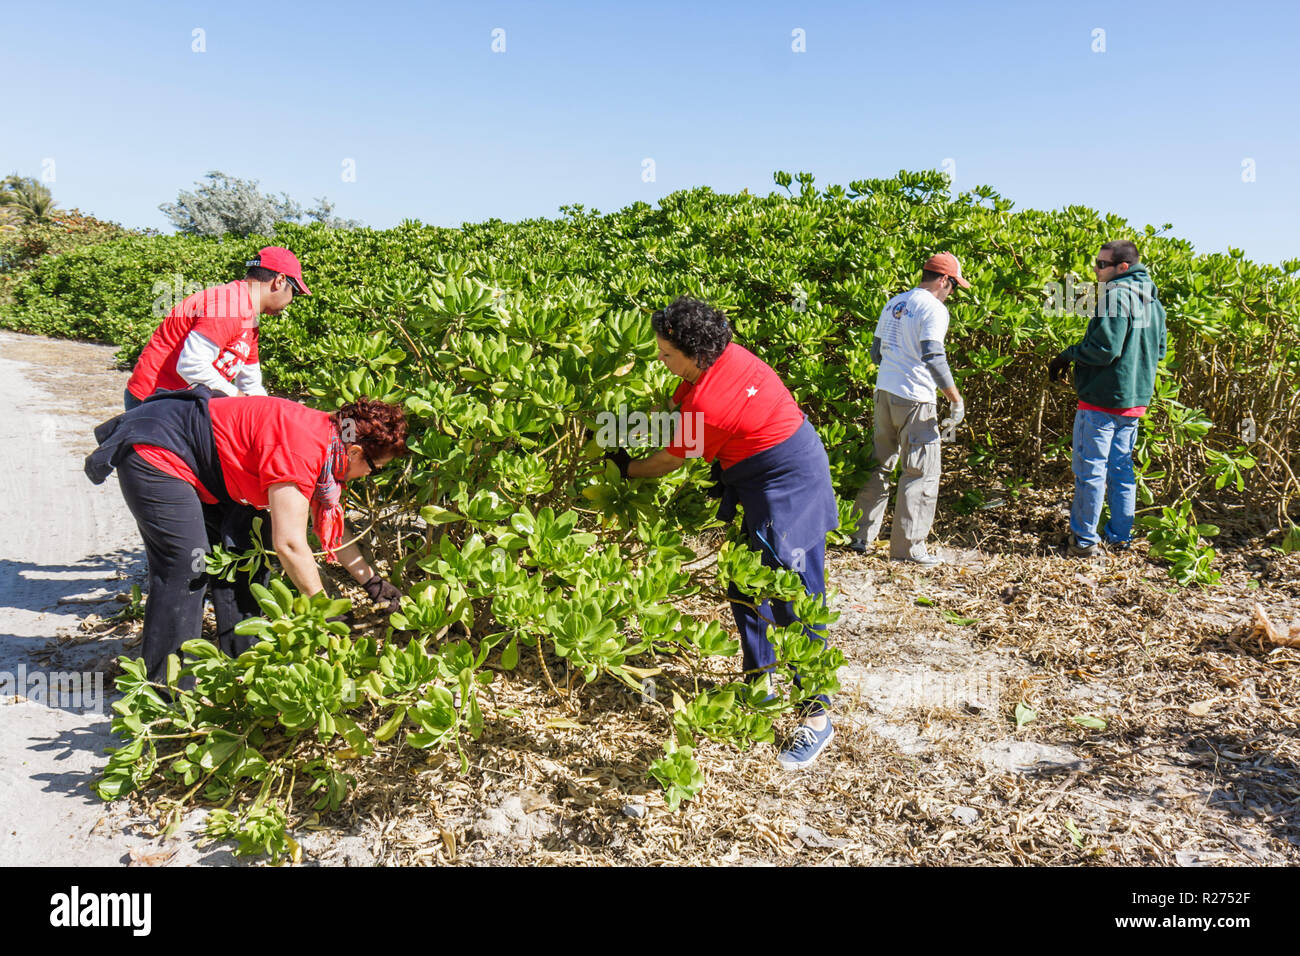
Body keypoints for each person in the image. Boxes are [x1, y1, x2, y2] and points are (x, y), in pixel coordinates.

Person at [607, 297, 839, 771]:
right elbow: (683, 415)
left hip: (787, 485)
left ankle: (817, 717)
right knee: (743, 584)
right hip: (762, 474)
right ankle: (759, 684)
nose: (661, 360)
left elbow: (671, 460)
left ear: (695, 352)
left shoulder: (709, 403)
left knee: (792, 596)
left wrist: (626, 466)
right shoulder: (728, 356)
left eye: (667, 354)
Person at [86, 390, 406, 685]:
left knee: (249, 557)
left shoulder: (330, 442)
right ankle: (164, 695)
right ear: (354, 451)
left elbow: (327, 525)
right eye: (375, 468)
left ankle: (242, 668)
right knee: (187, 567)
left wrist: (371, 582)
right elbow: (291, 544)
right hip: (159, 450)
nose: (369, 476)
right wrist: (324, 608)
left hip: (217, 470)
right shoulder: (303, 448)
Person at [1048, 240, 1167, 557]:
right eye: (1096, 263)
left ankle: (1084, 543)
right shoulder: (1152, 301)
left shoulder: (1116, 295)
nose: (1096, 270)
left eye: (1102, 265)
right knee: (1121, 472)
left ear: (1122, 268)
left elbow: (1105, 349)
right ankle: (1119, 539)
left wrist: (1067, 355)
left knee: (1091, 472)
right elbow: (1160, 351)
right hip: (1134, 402)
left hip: (1101, 401)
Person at [848, 252, 968, 566]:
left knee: (880, 465)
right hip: (916, 398)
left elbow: (876, 352)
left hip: (884, 392)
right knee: (921, 472)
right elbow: (933, 354)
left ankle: (859, 536)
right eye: (953, 285)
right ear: (944, 280)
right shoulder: (935, 308)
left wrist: (897, 366)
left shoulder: (894, 303)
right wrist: (955, 399)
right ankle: (908, 549)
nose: (952, 292)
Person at [123, 246, 311, 410]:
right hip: (153, 401)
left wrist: (268, 412)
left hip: (178, 401)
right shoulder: (229, 305)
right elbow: (191, 365)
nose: (292, 300)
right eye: (294, 292)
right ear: (280, 281)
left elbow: (251, 383)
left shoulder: (249, 315)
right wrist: (239, 398)